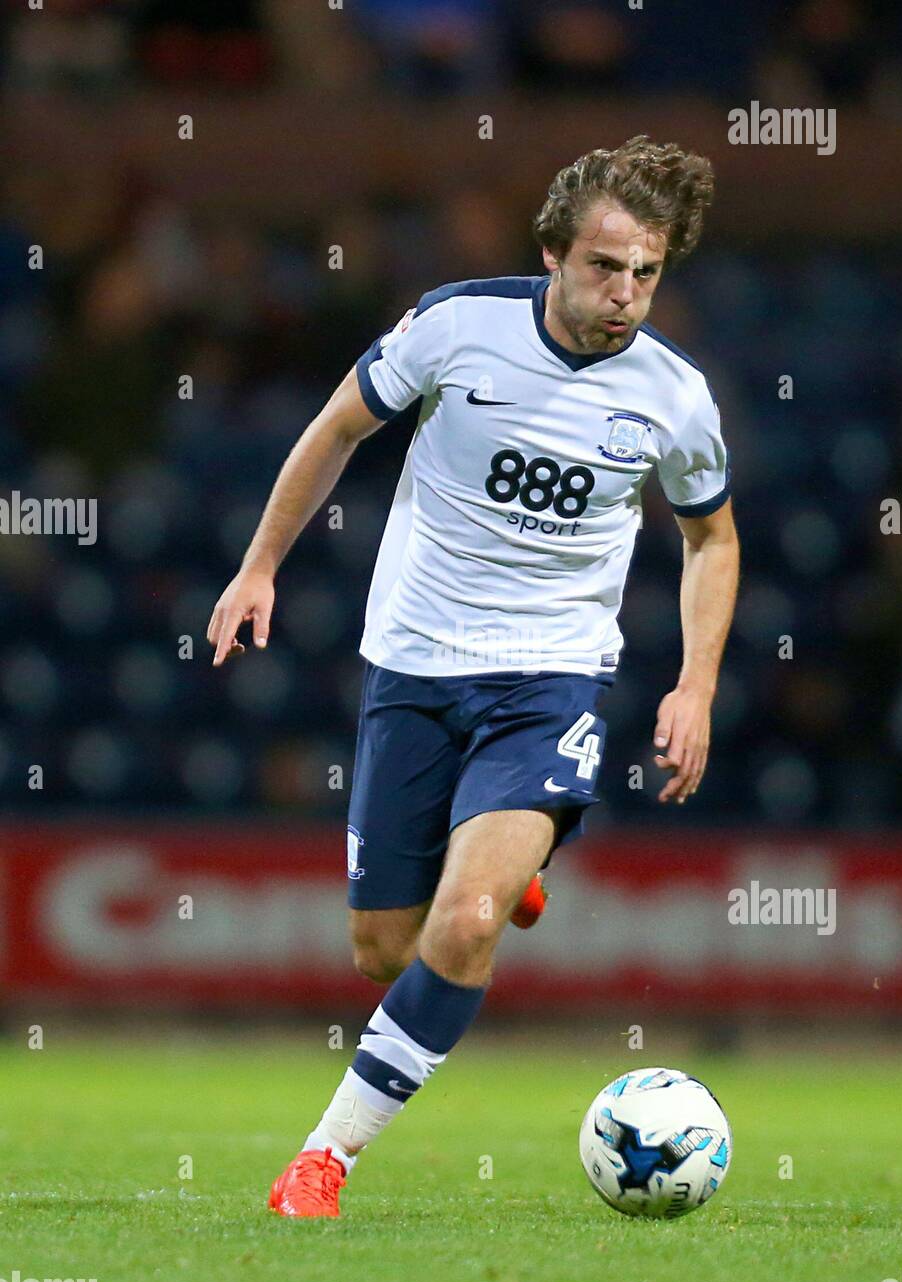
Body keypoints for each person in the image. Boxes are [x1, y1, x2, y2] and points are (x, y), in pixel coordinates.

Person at [207, 135, 740, 1218]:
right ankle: (508, 860)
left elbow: (710, 540)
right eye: (603, 267)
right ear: (552, 252)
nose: (624, 295)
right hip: (413, 663)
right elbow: (337, 428)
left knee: (464, 926)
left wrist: (695, 683)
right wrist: (260, 564)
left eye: (645, 273)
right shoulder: (456, 326)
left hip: (548, 681)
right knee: (383, 949)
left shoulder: (673, 395)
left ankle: (324, 1160)